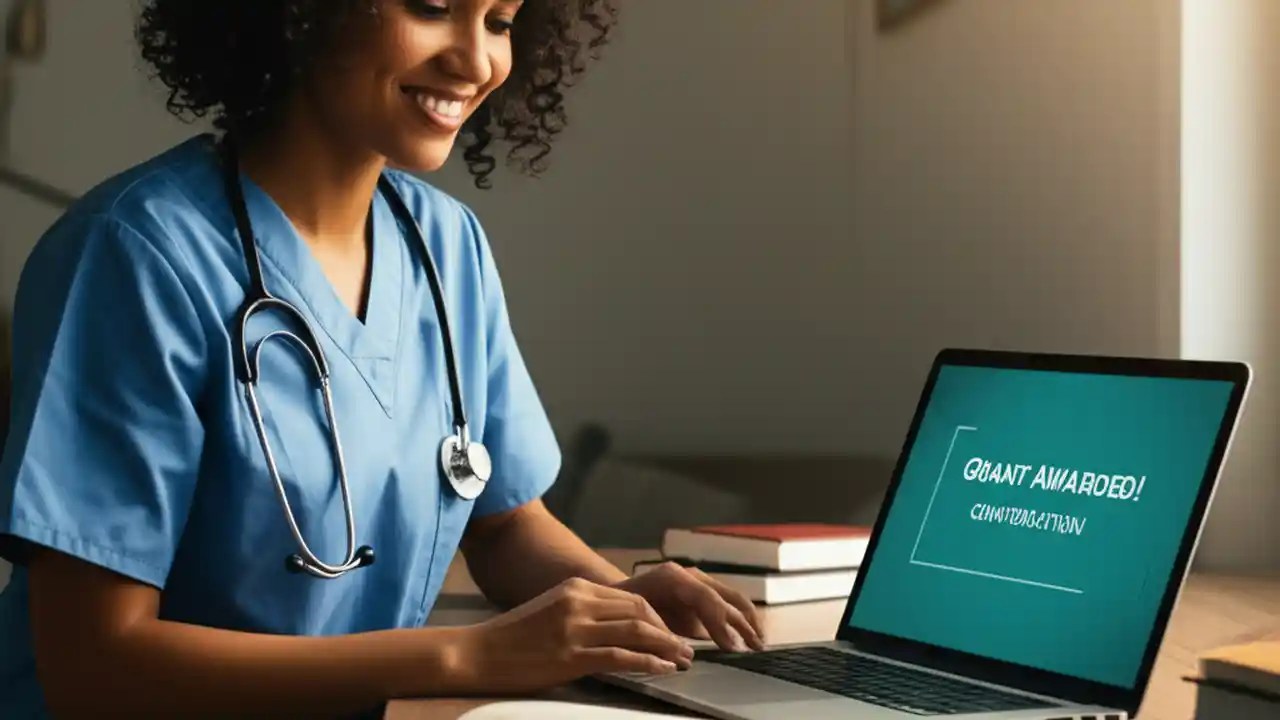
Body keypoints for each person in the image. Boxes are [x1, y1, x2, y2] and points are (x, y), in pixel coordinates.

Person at [0, 1, 764, 718]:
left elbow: (503, 529)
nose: (476, 59)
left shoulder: (445, 245)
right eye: (431, 8)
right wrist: (464, 658)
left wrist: (624, 601)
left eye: (499, 20)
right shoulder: (136, 255)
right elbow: (94, 665)